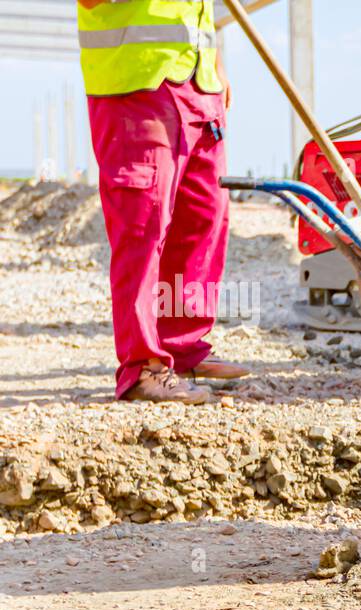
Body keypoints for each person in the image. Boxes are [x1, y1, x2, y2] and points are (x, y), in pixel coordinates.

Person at [78, 0, 248, 404]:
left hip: (197, 83)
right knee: (142, 223)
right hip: (138, 83)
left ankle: (182, 347)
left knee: (204, 217)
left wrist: (216, 64)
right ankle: (142, 367)